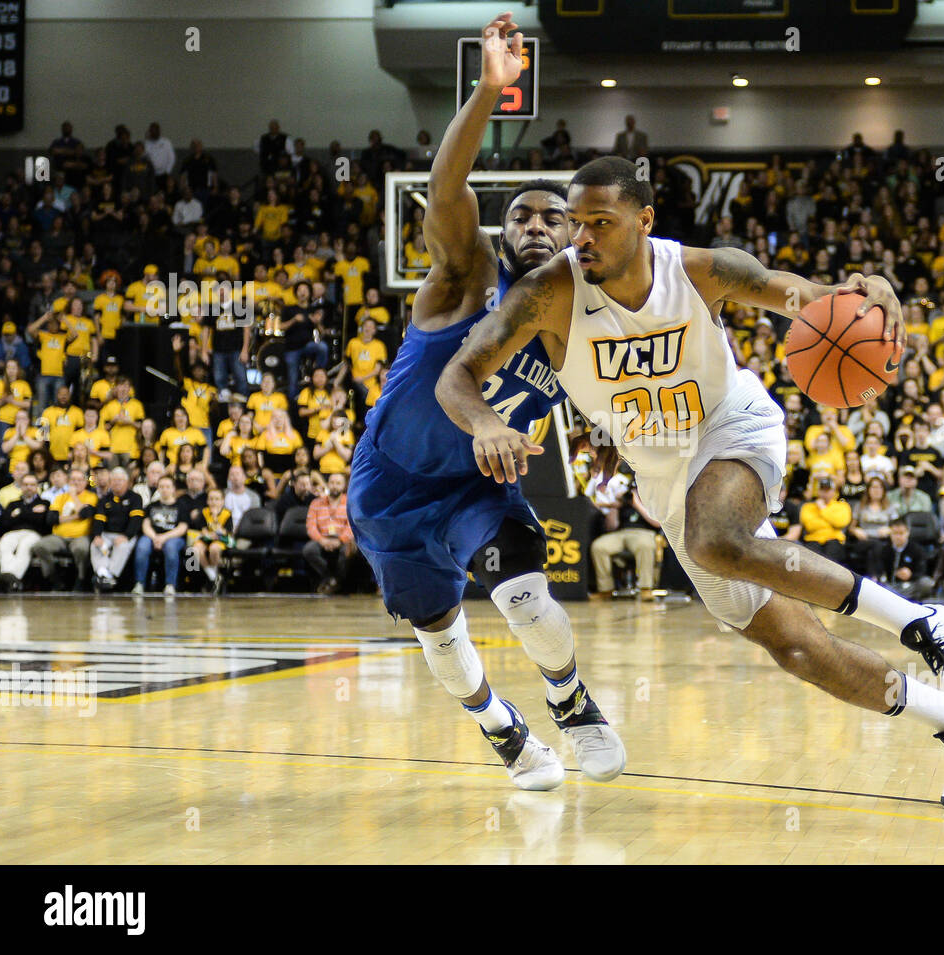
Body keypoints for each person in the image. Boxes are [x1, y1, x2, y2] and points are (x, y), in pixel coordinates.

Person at [438, 154, 944, 810]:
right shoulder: (547, 292)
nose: (583, 236)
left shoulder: (701, 269)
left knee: (714, 536)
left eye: (601, 221)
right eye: (577, 222)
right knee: (797, 648)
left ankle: (923, 624)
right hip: (664, 476)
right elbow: (458, 374)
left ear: (644, 220)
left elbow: (808, 299)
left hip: (733, 429)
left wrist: (865, 292)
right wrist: (485, 423)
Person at [345, 15, 625, 791]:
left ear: (577, 236)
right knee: (439, 632)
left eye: (554, 217)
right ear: (504, 236)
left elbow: (585, 387)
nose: (537, 224)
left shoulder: (577, 317)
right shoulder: (465, 278)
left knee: (524, 591)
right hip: (391, 485)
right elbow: (445, 186)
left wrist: (602, 429)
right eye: (523, 216)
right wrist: (491, 91)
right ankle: (502, 728)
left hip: (475, 486)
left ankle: (573, 705)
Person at [589, 468, 660, 596]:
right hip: (621, 532)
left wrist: (636, 504)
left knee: (645, 546)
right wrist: (614, 506)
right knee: (599, 546)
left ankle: (645, 588)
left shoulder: (652, 497)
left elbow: (657, 523)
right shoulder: (624, 499)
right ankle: (605, 589)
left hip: (643, 532)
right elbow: (612, 527)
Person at [133, 475, 190, 595]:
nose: (164, 489)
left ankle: (170, 585)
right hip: (152, 536)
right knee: (142, 546)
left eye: (167, 487)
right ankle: (139, 583)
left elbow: (182, 528)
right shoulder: (151, 506)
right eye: (162, 486)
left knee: (170, 547)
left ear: (173, 489)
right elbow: (146, 525)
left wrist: (164, 538)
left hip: (173, 537)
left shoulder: (181, 506)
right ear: (158, 488)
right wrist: (155, 538)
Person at [89, 466, 143, 592]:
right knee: (95, 545)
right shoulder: (104, 499)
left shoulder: (135, 498)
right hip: (107, 534)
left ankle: (111, 575)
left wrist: (126, 536)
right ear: (110, 482)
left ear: (127, 482)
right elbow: (99, 520)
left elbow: (136, 521)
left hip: (126, 534)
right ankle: (103, 573)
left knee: (122, 546)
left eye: (120, 480)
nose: (117, 483)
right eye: (114, 480)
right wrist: (97, 536)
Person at [0, 471, 51, 591]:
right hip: (12, 533)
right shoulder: (13, 504)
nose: (29, 488)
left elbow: (42, 523)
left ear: (37, 487)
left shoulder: (44, 503)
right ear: (21, 486)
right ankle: (10, 579)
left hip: (33, 533)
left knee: (24, 547)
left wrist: (19, 514)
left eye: (32, 485)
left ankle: (10, 580)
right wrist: (31, 513)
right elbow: (5, 523)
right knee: (4, 545)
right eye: (26, 484)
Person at [879, 517, 933, 601]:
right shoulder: (884, 549)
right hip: (890, 584)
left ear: (908, 533)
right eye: (895, 533)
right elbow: (878, 570)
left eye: (901, 533)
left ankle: (897, 597)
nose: (898, 537)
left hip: (910, 585)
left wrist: (910, 575)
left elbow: (922, 571)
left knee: (926, 583)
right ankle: (898, 596)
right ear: (890, 534)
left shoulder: (917, 549)